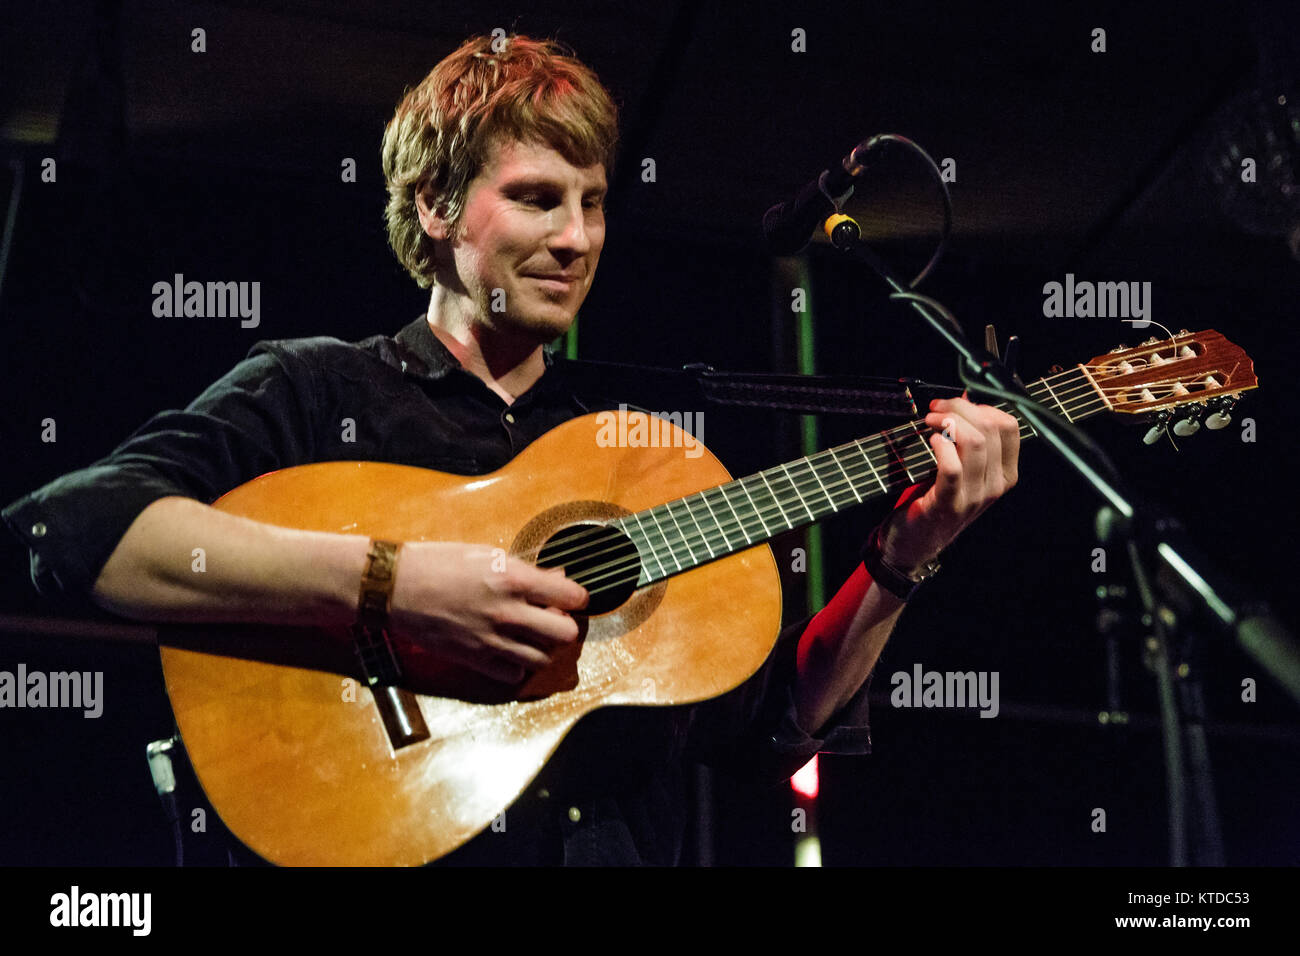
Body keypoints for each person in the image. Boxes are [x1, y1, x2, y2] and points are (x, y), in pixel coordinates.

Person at [1, 34, 1020, 865]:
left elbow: (779, 723)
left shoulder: (638, 454)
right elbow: (70, 527)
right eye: (537, 197)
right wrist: (390, 583)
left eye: (593, 200)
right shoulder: (315, 387)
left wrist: (904, 554)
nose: (576, 237)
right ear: (436, 208)